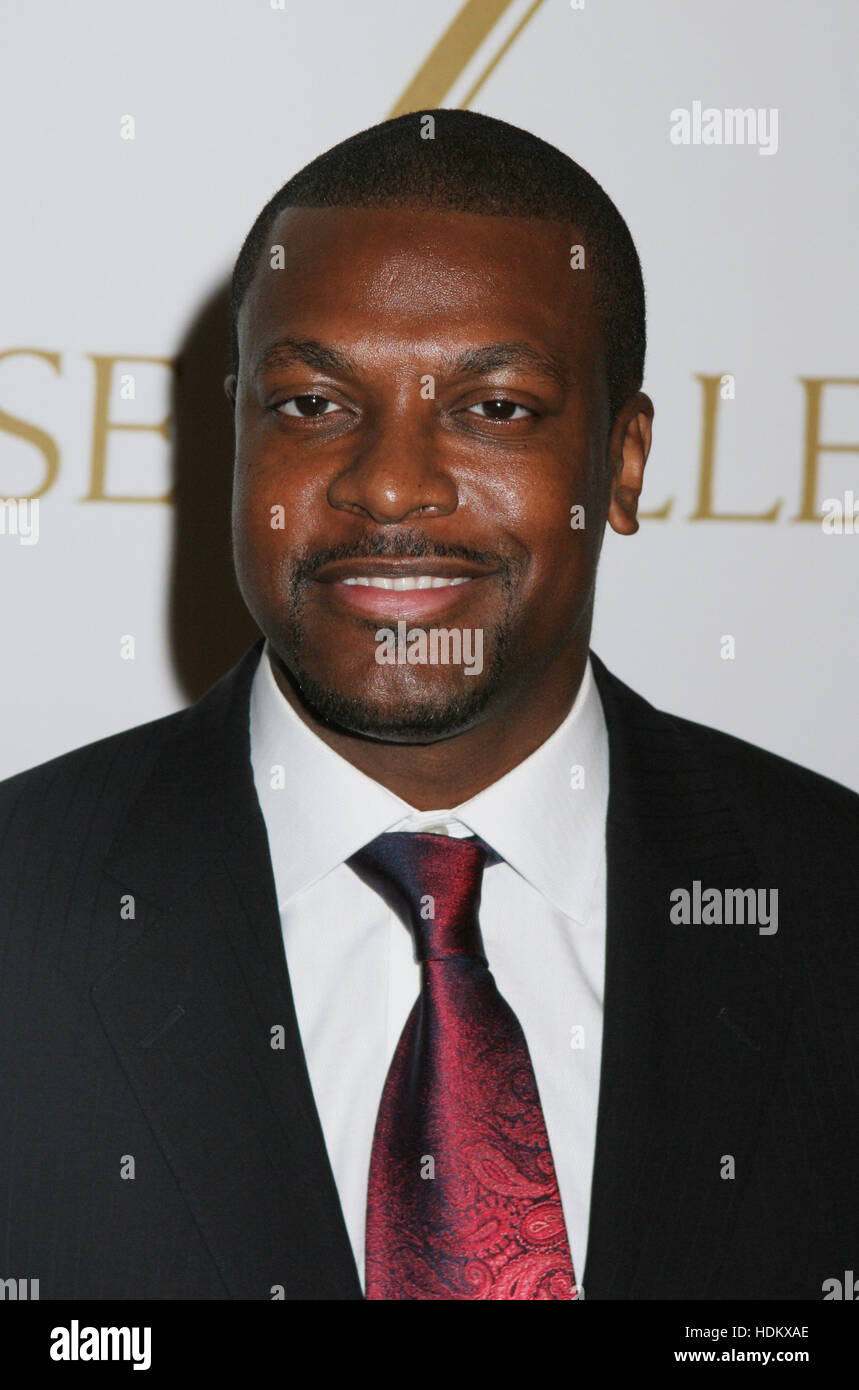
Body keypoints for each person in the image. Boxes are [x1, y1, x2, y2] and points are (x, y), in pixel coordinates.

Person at [1, 110, 856, 1301]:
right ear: (233, 436)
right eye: (311, 405)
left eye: (493, 407)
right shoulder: (22, 909)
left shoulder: (828, 905)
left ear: (622, 458)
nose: (391, 482)